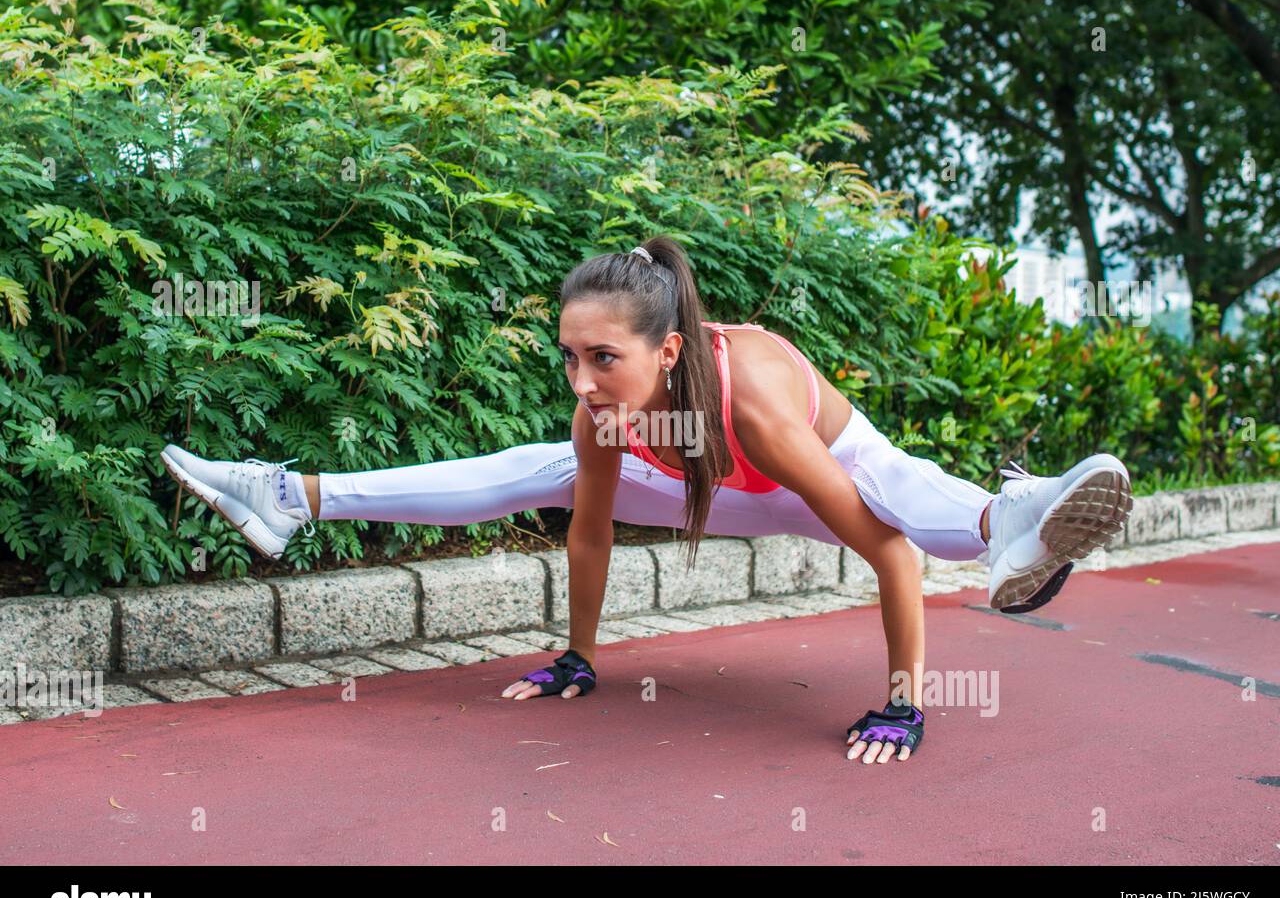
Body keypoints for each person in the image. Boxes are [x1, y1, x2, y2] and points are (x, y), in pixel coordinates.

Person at [160, 236, 1132, 767]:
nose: (582, 378)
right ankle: (289, 494)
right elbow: (588, 536)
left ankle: (1009, 520)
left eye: (604, 359)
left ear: (668, 351)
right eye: (570, 356)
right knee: (542, 460)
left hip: (806, 471)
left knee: (898, 493)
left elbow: (882, 557)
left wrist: (903, 707)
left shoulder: (751, 391)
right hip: (699, 482)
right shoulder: (604, 415)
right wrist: (579, 657)